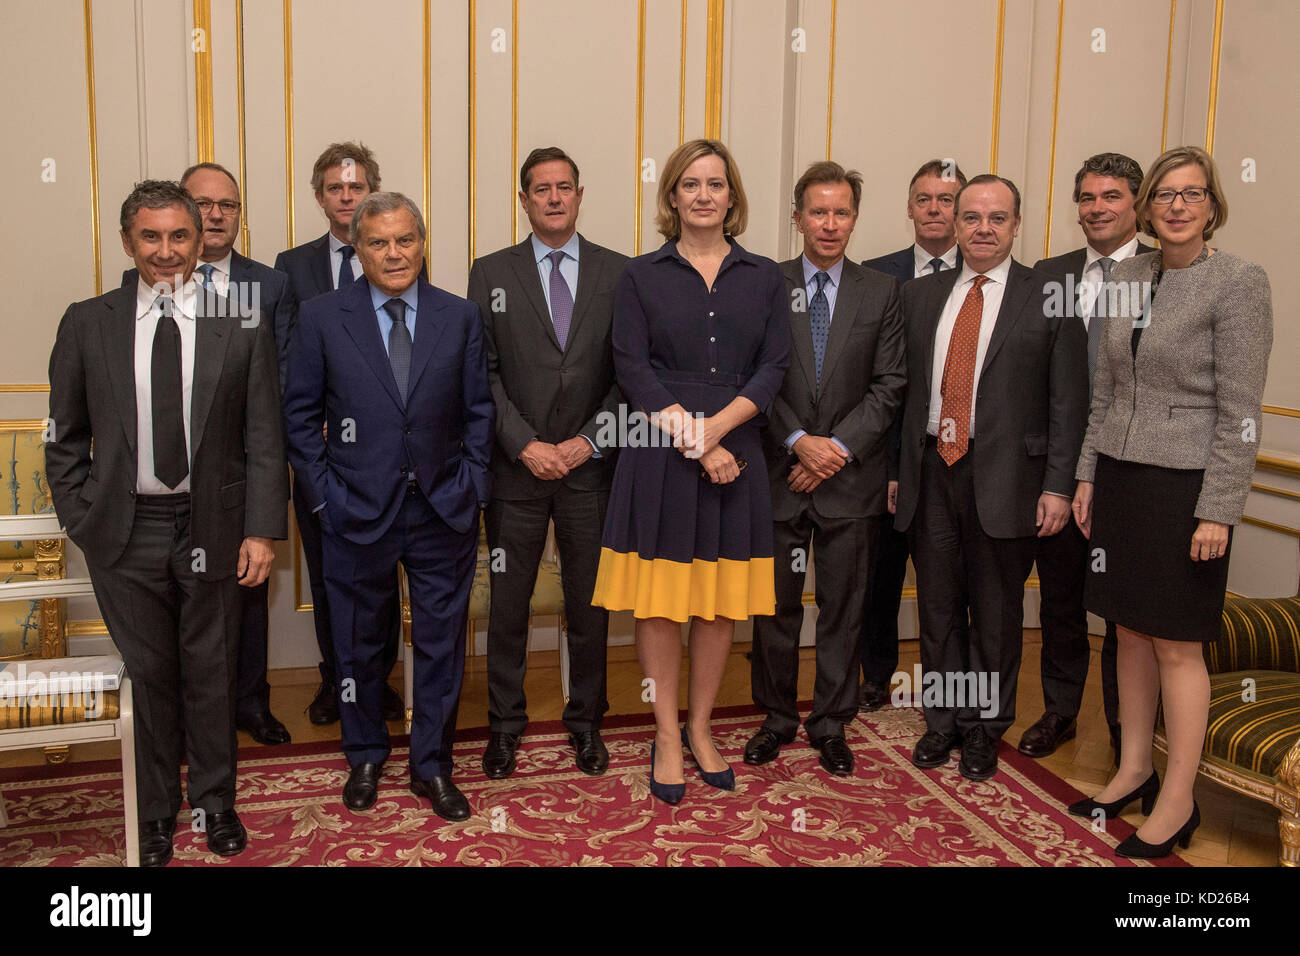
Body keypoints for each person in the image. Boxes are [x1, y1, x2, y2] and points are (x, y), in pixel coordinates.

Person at [47, 180, 288, 865]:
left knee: (211, 670)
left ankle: (216, 804)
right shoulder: (88, 321)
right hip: (123, 531)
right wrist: (80, 516)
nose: (165, 250)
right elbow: (63, 435)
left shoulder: (239, 319)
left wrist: (263, 530)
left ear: (198, 239)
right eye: (150, 237)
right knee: (150, 674)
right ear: (128, 242)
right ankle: (155, 812)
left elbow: (264, 436)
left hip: (215, 523)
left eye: (178, 236)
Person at [1070, 147, 1272, 858]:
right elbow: (1107, 391)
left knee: (1178, 647)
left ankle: (1178, 800)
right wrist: (1088, 475)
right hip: (1121, 481)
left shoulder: (1239, 285)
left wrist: (1219, 508)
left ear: (1213, 203)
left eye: (1192, 194)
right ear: (1148, 208)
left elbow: (1241, 412)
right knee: (1126, 631)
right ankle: (1132, 768)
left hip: (1186, 489)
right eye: (1165, 195)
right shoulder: (1129, 274)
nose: (1178, 206)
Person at [591, 138, 790, 804]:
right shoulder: (640, 276)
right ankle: (665, 735)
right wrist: (698, 442)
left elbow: (773, 368)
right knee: (659, 606)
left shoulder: (765, 276)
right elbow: (632, 369)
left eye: (715, 184)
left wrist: (721, 430)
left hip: (739, 452)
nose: (703, 195)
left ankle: (702, 728)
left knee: (716, 605)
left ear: (733, 197)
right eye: (690, 184)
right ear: (671, 196)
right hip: (661, 457)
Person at [283, 192, 492, 821]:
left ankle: (431, 765)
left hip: (441, 510)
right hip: (354, 511)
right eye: (378, 243)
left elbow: (480, 411)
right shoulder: (321, 317)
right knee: (358, 644)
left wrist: (473, 484)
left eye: (405, 240)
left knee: (440, 644)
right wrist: (322, 497)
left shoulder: (460, 317)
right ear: (357, 248)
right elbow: (298, 417)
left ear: (422, 244)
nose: (393, 253)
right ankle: (366, 754)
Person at [895, 174, 1087, 781]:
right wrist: (900, 472)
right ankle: (942, 721)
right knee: (939, 608)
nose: (982, 228)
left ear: (1016, 224)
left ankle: (983, 727)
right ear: (953, 222)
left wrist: (1057, 486)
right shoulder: (921, 297)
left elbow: (1068, 403)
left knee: (997, 614)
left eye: (996, 218)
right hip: (932, 470)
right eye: (971, 216)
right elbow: (903, 397)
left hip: (1009, 480)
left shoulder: (1049, 294)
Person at [124, 161, 297, 747]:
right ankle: (178, 731)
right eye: (204, 203)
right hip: (159, 496)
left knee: (243, 613)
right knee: (175, 630)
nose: (215, 213)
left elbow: (278, 387)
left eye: (228, 204)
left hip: (239, 477)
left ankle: (248, 705)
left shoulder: (265, 286)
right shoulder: (131, 298)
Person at [467, 147, 627, 779]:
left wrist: (589, 441)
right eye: (541, 189)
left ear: (580, 195)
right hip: (517, 472)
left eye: (565, 187)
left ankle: (587, 724)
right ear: (524, 200)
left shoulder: (621, 273)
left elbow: (630, 376)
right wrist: (524, 444)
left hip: (592, 471)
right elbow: (482, 376)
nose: (554, 198)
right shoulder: (491, 273)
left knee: (590, 610)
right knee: (508, 609)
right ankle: (504, 727)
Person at [747, 161, 905, 776]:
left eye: (842, 212)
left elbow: (891, 385)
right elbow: (755, 377)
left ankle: (831, 722)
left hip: (849, 480)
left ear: (855, 219)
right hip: (779, 476)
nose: (830, 224)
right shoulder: (764, 284)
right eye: (818, 211)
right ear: (796, 218)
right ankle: (776, 718)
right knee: (776, 606)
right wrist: (796, 441)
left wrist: (831, 449)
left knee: (844, 607)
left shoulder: (880, 292)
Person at [1025, 152, 1154, 762]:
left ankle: (1128, 735)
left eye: (1111, 197)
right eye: (1087, 198)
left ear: (1138, 204)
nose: (1097, 209)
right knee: (1061, 598)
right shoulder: (1049, 275)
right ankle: (1060, 711)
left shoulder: (1163, 274)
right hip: (1053, 467)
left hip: (1127, 470)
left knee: (1124, 610)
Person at [274, 142, 405, 727]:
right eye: (335, 187)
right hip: (321, 456)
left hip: (387, 455)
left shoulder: (401, 252)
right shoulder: (291, 266)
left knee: (385, 577)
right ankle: (339, 682)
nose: (346, 196)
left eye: (356, 187)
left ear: (372, 190)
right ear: (320, 196)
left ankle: (380, 683)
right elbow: (283, 355)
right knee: (332, 576)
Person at [859, 159, 966, 712]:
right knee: (878, 575)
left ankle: (945, 692)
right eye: (923, 199)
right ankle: (876, 675)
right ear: (908, 209)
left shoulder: (982, 279)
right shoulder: (876, 276)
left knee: (944, 583)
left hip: (949, 459)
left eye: (945, 200)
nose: (933, 209)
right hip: (880, 455)